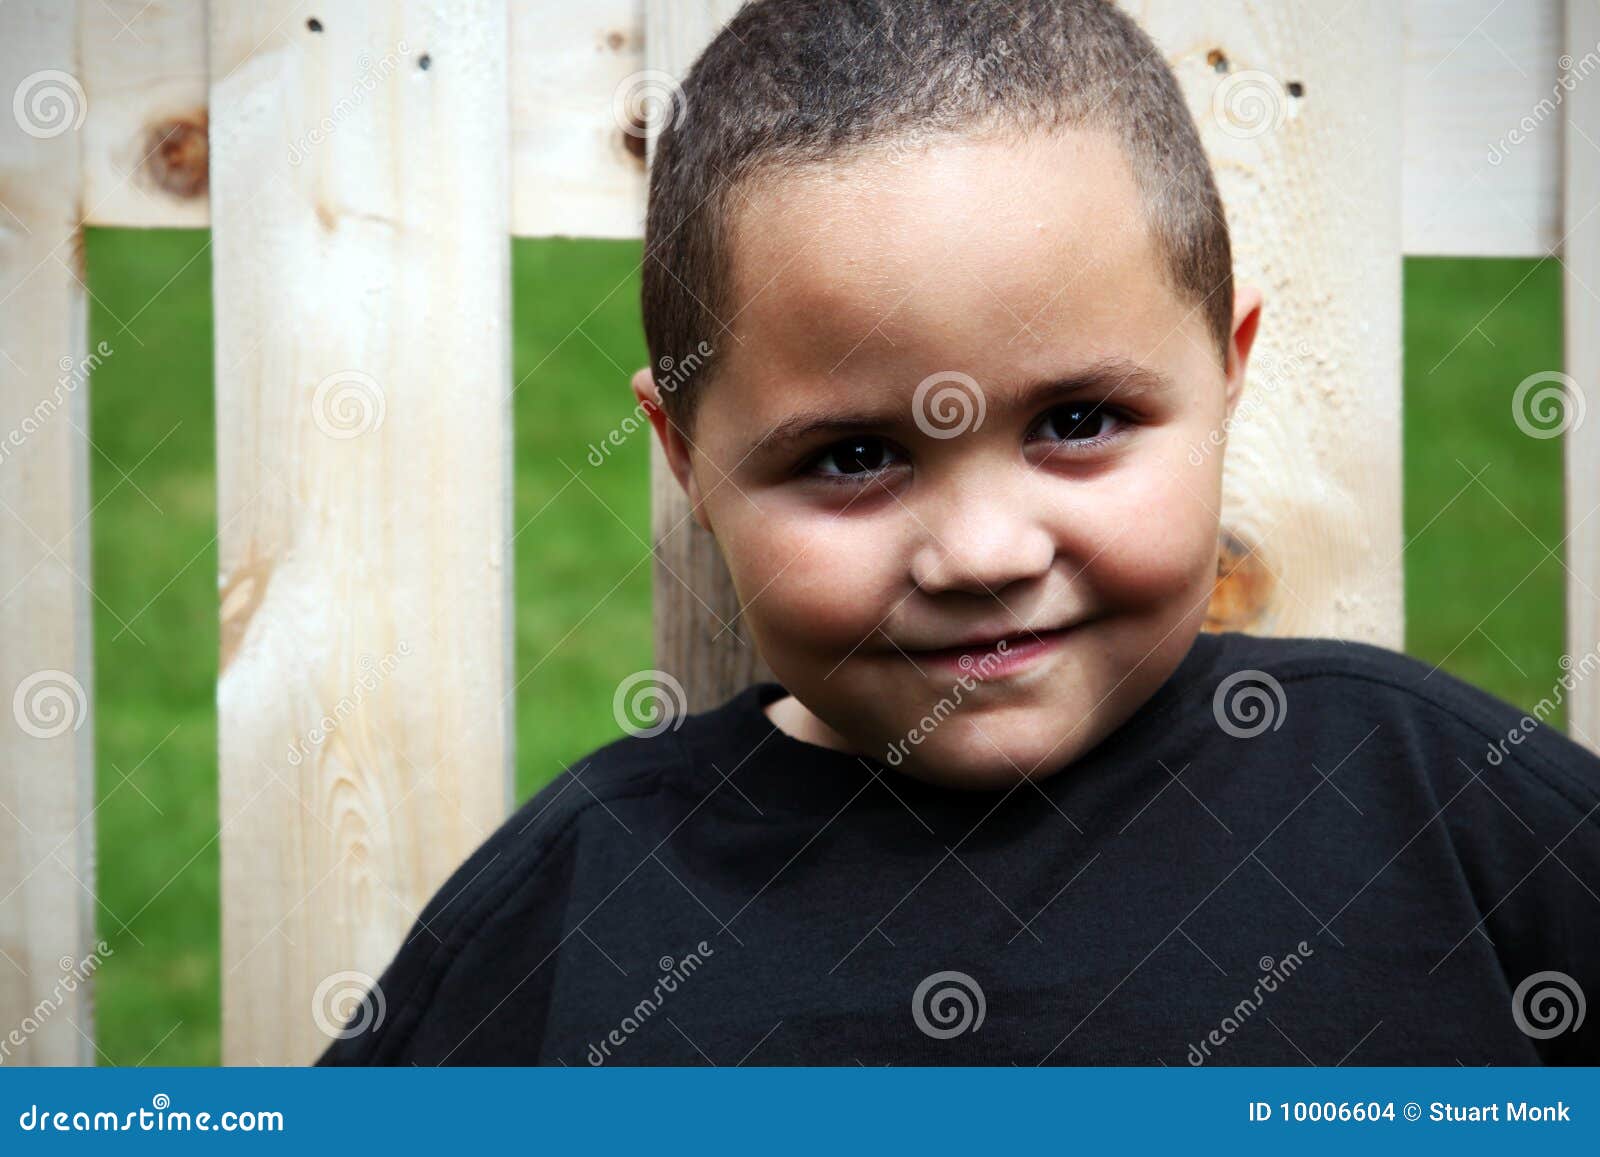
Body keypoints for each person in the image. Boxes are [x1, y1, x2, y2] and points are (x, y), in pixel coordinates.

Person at [318, 0, 1598, 1065]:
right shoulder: (582, 899)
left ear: (1225, 370)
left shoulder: (1436, 801)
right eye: (855, 456)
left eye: (1081, 420)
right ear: (685, 458)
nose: (983, 552)